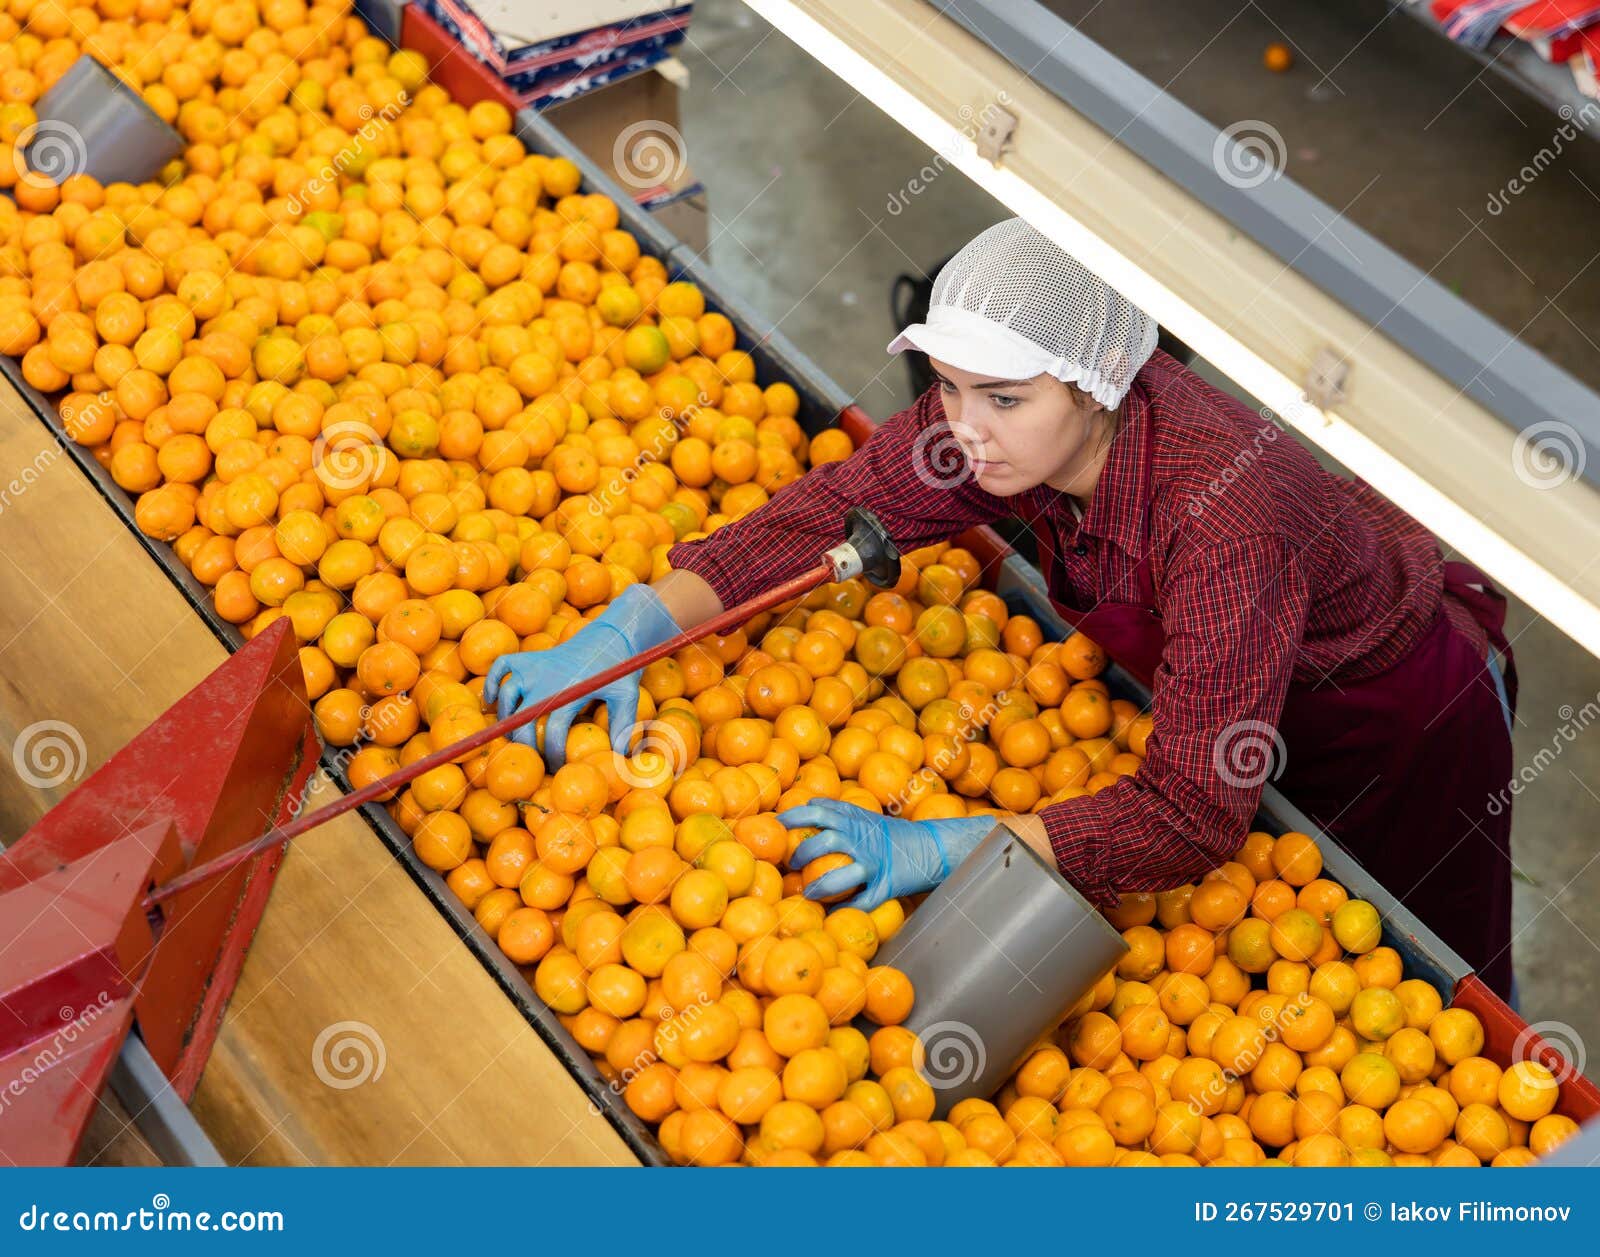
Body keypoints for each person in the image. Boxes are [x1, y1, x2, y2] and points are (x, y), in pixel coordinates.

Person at [487, 218, 1518, 997]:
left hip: (1389, 723)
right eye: (944, 387)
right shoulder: (1005, 434)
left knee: (1428, 960)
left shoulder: (1222, 522)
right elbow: (826, 515)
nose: (964, 430)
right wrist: (633, 627)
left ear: (1099, 386)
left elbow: (1192, 813)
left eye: (1004, 399)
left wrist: (946, 847)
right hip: (1227, 673)